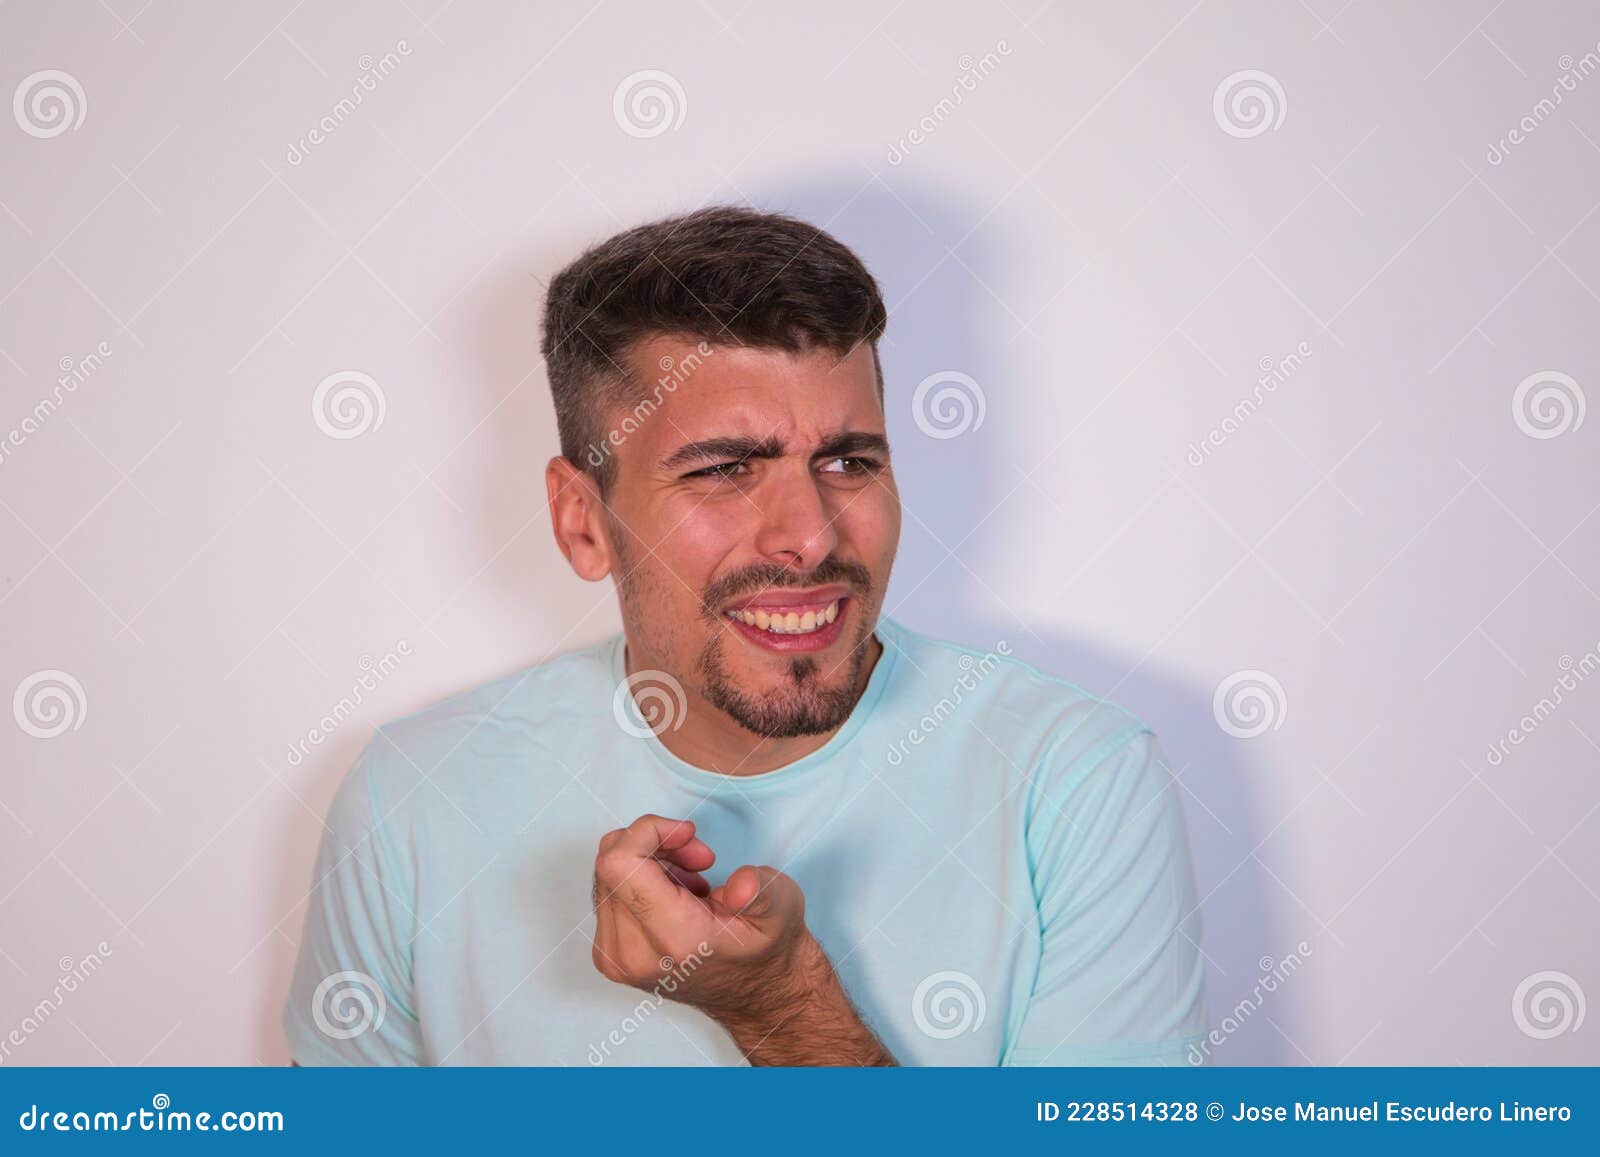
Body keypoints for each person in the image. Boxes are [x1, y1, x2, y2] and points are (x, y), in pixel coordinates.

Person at [282, 206, 1207, 1065]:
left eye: (848, 461)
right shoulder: (411, 799)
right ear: (583, 523)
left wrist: (781, 1009)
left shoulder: (1078, 781)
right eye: (725, 469)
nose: (808, 534)